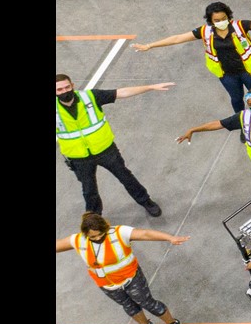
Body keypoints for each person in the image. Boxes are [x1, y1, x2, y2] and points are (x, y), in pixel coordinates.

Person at [134, 2, 251, 112]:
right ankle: (243, 124)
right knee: (236, 99)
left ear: (228, 16)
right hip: (227, 75)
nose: (221, 21)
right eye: (217, 20)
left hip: (249, 71)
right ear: (211, 20)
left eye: (224, 18)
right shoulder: (204, 31)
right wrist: (150, 45)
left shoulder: (240, 26)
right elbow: (178, 38)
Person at [56, 212, 187, 324]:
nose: (98, 238)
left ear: (105, 227)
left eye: (101, 234)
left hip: (131, 279)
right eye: (93, 237)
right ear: (85, 234)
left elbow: (145, 234)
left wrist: (169, 238)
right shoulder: (78, 240)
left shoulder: (119, 233)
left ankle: (173, 323)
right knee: (129, 307)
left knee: (148, 303)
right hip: (107, 285)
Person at [55, 73, 169, 217]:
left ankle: (146, 201)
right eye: (59, 90)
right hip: (78, 158)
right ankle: (95, 217)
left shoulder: (90, 97)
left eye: (67, 87)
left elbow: (121, 92)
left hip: (106, 151)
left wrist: (150, 87)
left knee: (126, 177)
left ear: (72, 86)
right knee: (89, 190)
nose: (64, 91)